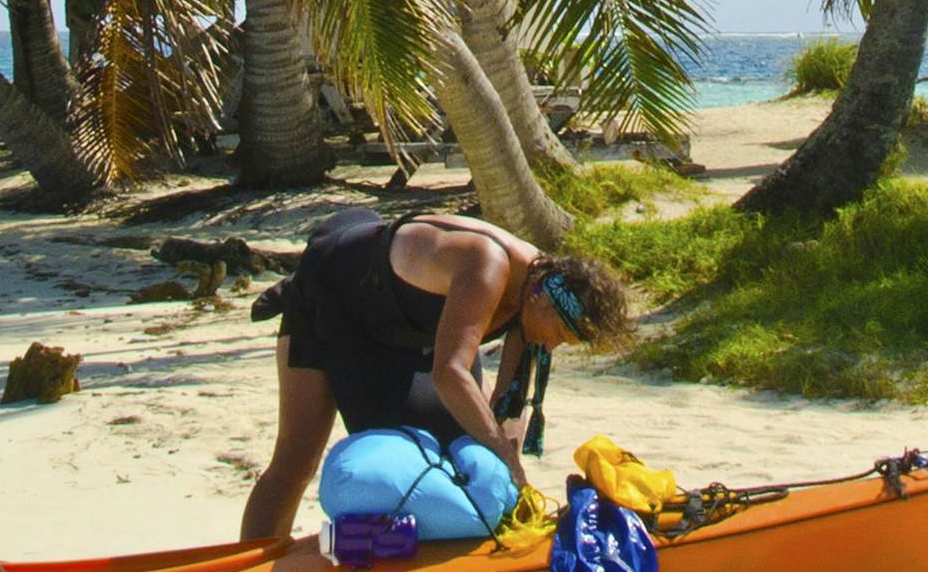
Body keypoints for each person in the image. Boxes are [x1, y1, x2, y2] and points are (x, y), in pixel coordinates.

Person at [236, 207, 637, 545]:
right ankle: (250, 571)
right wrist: (501, 455)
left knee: (455, 446)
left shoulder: (538, 289)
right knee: (307, 456)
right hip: (337, 293)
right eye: (560, 336)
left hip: (412, 328)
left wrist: (515, 481)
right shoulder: (489, 266)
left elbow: (507, 407)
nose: (552, 347)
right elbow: (450, 374)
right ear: (543, 300)